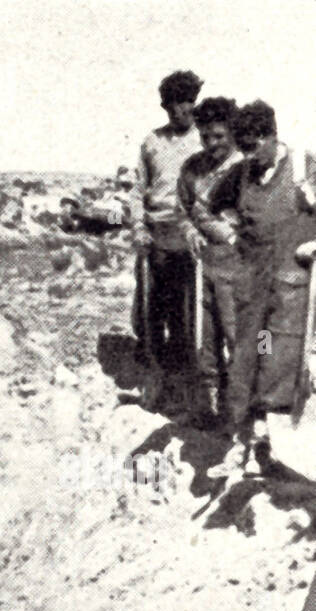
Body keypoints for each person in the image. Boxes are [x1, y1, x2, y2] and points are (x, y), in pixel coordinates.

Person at [209, 101, 316, 476]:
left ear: (272, 136)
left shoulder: (305, 168)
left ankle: (273, 447)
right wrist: (230, 232)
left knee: (283, 369)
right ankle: (247, 442)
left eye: (254, 147)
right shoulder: (240, 176)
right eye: (243, 148)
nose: (248, 155)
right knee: (252, 356)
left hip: (291, 293)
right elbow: (209, 206)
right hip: (254, 290)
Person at [132, 69, 204, 413]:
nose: (183, 109)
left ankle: (189, 391)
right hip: (155, 239)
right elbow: (137, 191)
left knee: (189, 318)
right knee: (150, 315)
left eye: (189, 101)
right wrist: (137, 227)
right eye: (176, 103)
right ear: (166, 106)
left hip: (191, 240)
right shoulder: (152, 142)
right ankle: (155, 380)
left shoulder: (205, 141)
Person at [176, 96, 242, 429]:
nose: (211, 144)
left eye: (218, 136)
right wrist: (189, 230)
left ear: (232, 131)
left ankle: (242, 419)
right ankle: (206, 410)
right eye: (205, 137)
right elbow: (183, 210)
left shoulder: (247, 167)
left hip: (239, 267)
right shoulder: (192, 168)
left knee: (240, 338)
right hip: (204, 265)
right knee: (204, 338)